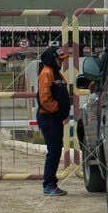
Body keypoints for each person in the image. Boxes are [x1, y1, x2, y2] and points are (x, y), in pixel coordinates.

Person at [36, 45, 73, 197]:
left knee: (56, 151)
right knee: (54, 152)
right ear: (53, 59)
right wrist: (58, 111)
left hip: (55, 118)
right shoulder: (46, 73)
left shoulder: (57, 73)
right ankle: (49, 184)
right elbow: (45, 100)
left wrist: (63, 113)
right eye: (60, 60)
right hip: (49, 118)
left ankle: (51, 183)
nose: (62, 62)